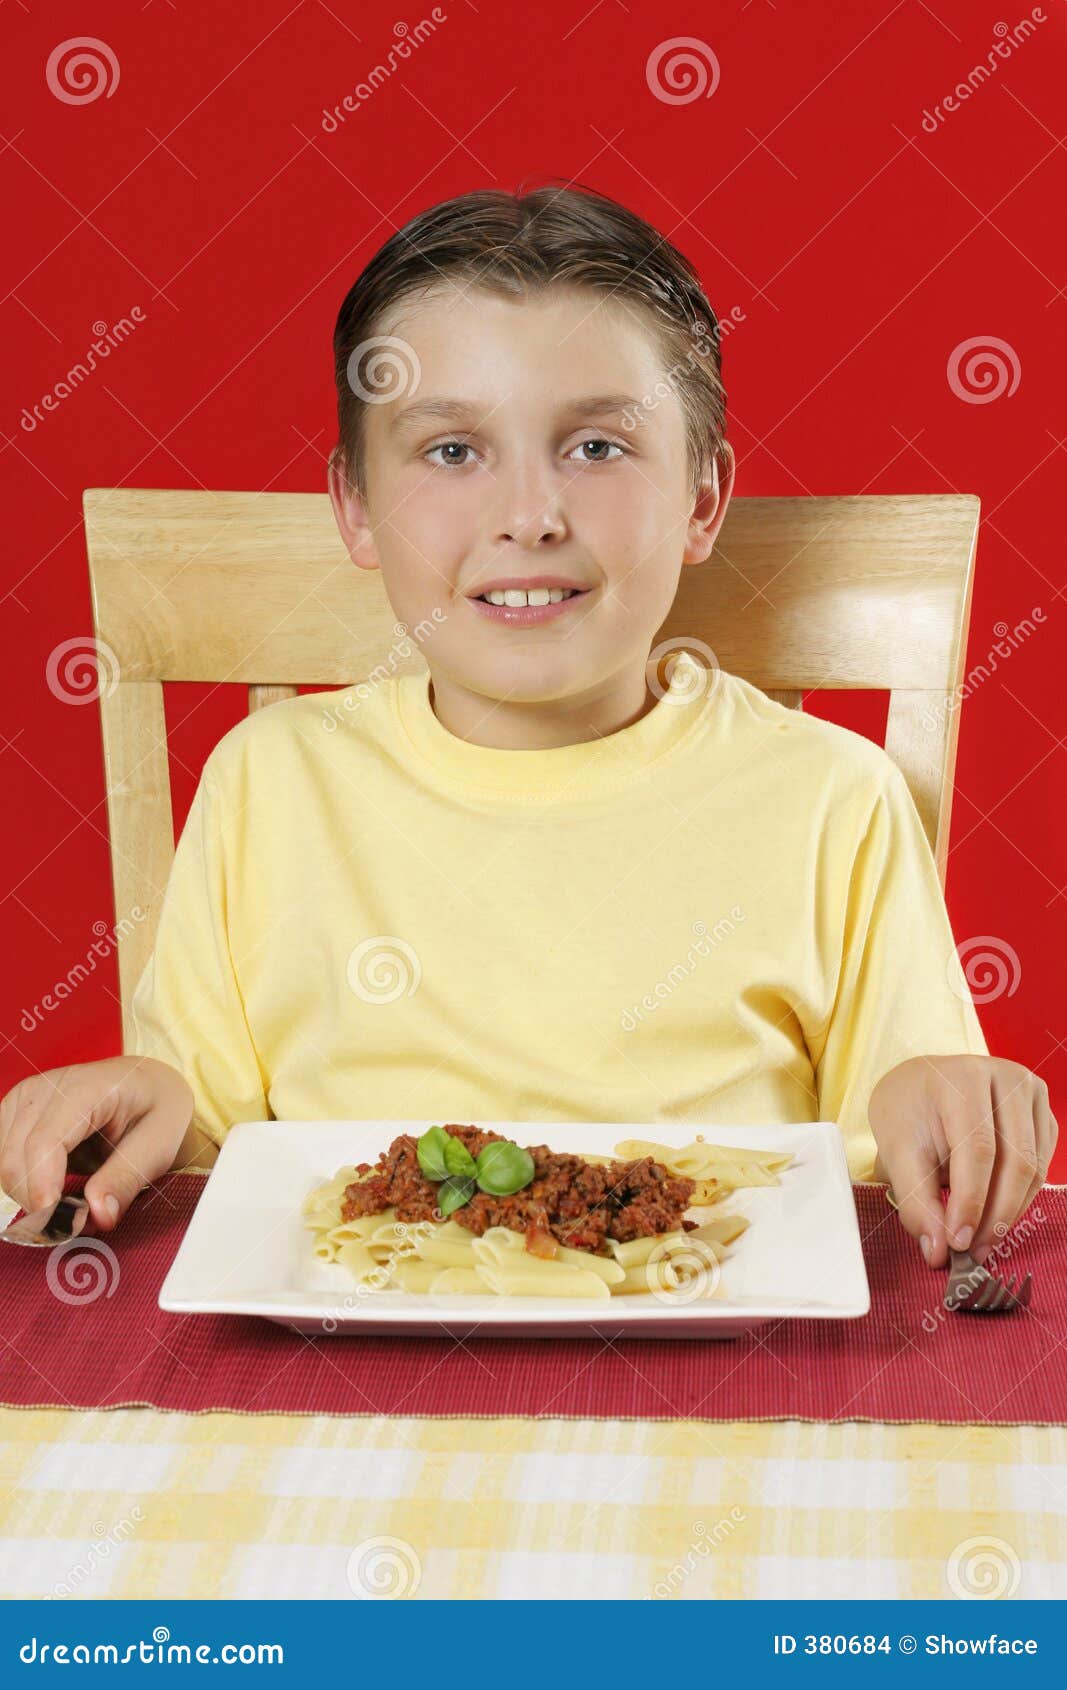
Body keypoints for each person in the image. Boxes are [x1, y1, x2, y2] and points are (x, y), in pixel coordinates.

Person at [0, 182, 1055, 1273]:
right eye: (451, 451)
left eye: (596, 447)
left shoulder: (834, 798)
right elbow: (209, 1148)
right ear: (354, 508)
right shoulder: (267, 783)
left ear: (701, 498)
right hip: (342, 1379)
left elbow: (899, 1152)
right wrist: (141, 1103)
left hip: (712, 1373)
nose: (529, 514)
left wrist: (944, 1095)